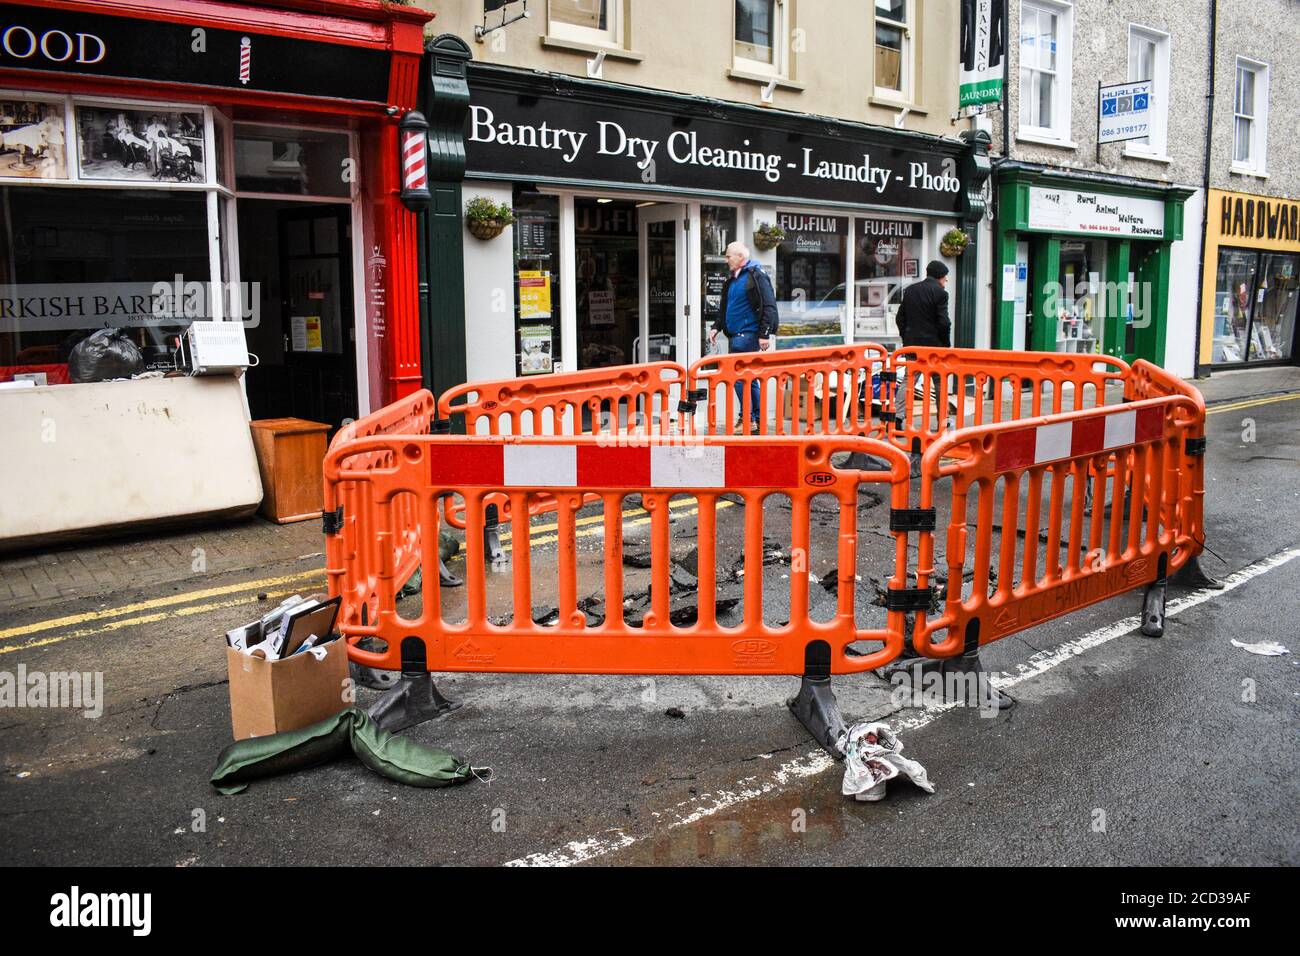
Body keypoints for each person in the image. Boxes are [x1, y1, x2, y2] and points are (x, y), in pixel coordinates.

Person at [707, 241, 778, 432]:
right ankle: (756, 419)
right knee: (750, 379)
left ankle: (746, 418)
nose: (726, 260)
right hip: (736, 336)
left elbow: (769, 305)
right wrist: (716, 327)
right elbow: (725, 308)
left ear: (740, 257)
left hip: (747, 335)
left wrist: (764, 334)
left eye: (729, 256)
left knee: (739, 378)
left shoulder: (756, 275)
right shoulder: (733, 279)